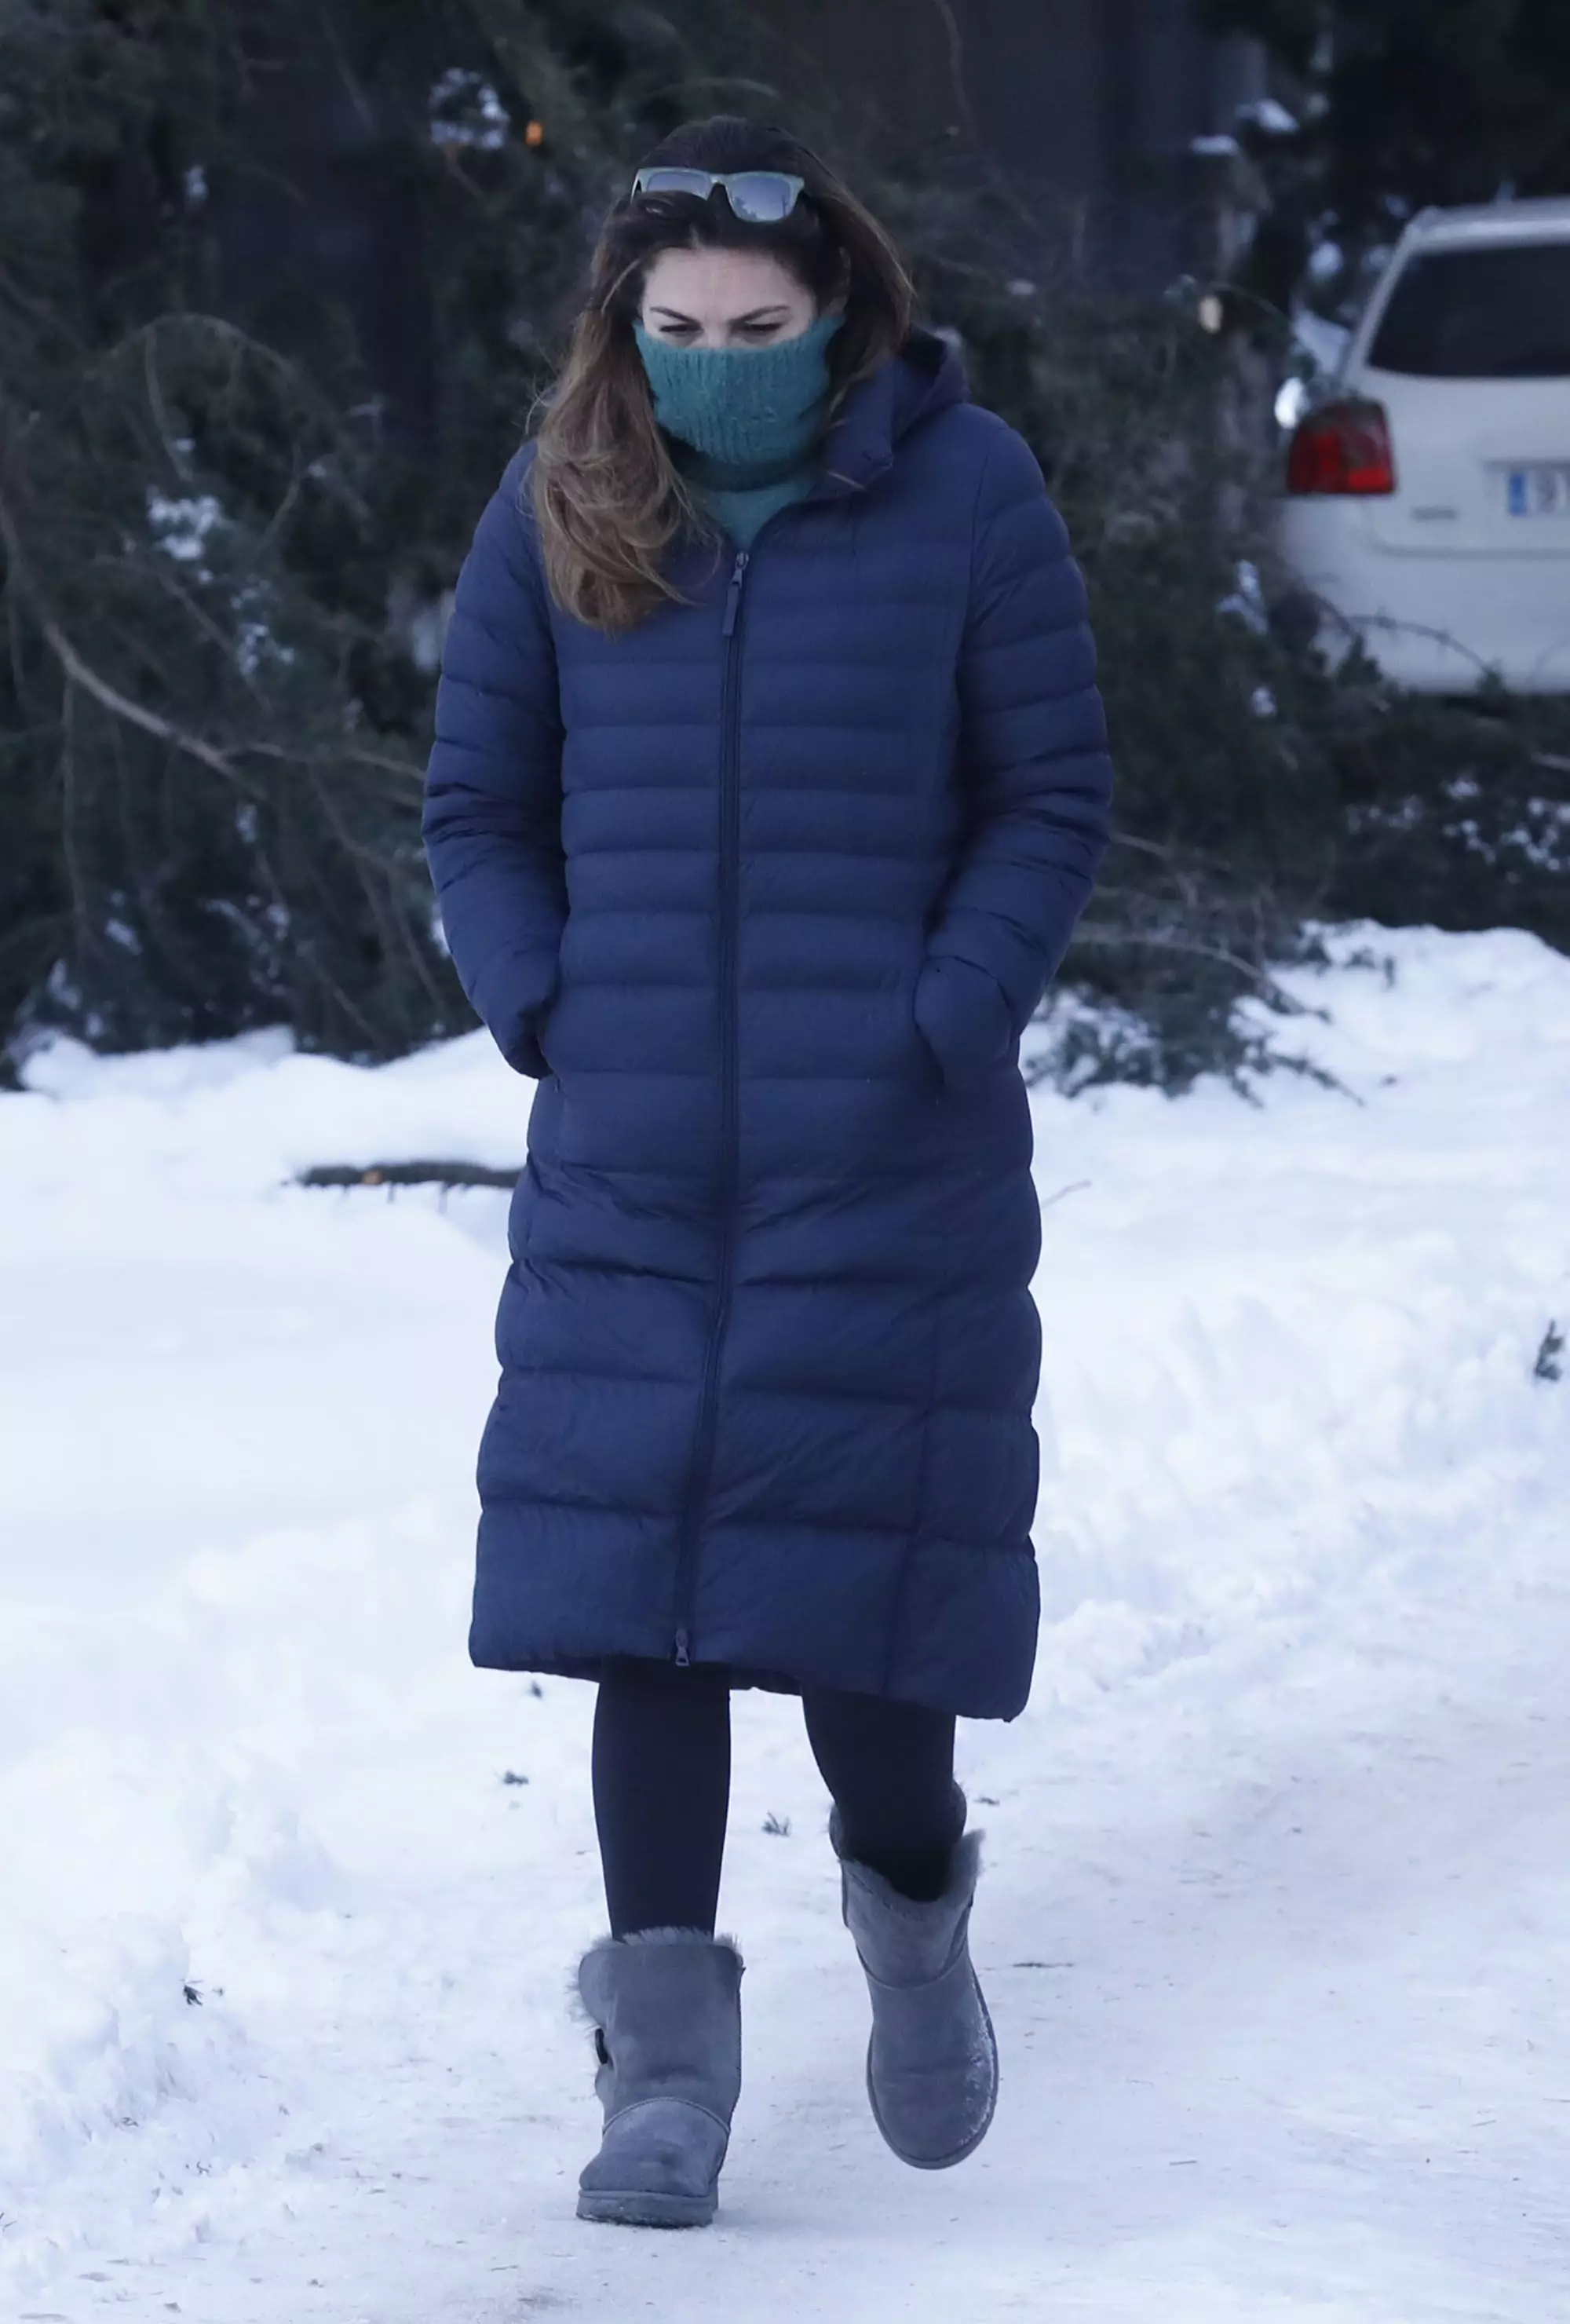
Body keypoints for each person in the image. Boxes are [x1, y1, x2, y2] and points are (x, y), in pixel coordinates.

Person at [422, 113, 1113, 2230]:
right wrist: (547, 995)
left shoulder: (964, 497)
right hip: (635, 1154)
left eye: (759, 326)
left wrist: (947, 1009)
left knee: (864, 1641)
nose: (715, 358)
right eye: (680, 325)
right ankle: (663, 2083)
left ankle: (911, 1920)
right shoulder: (559, 504)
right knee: (649, 1605)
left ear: (841, 315)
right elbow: (475, 797)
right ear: (625, 325)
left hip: (882, 1156)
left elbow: (1050, 791)